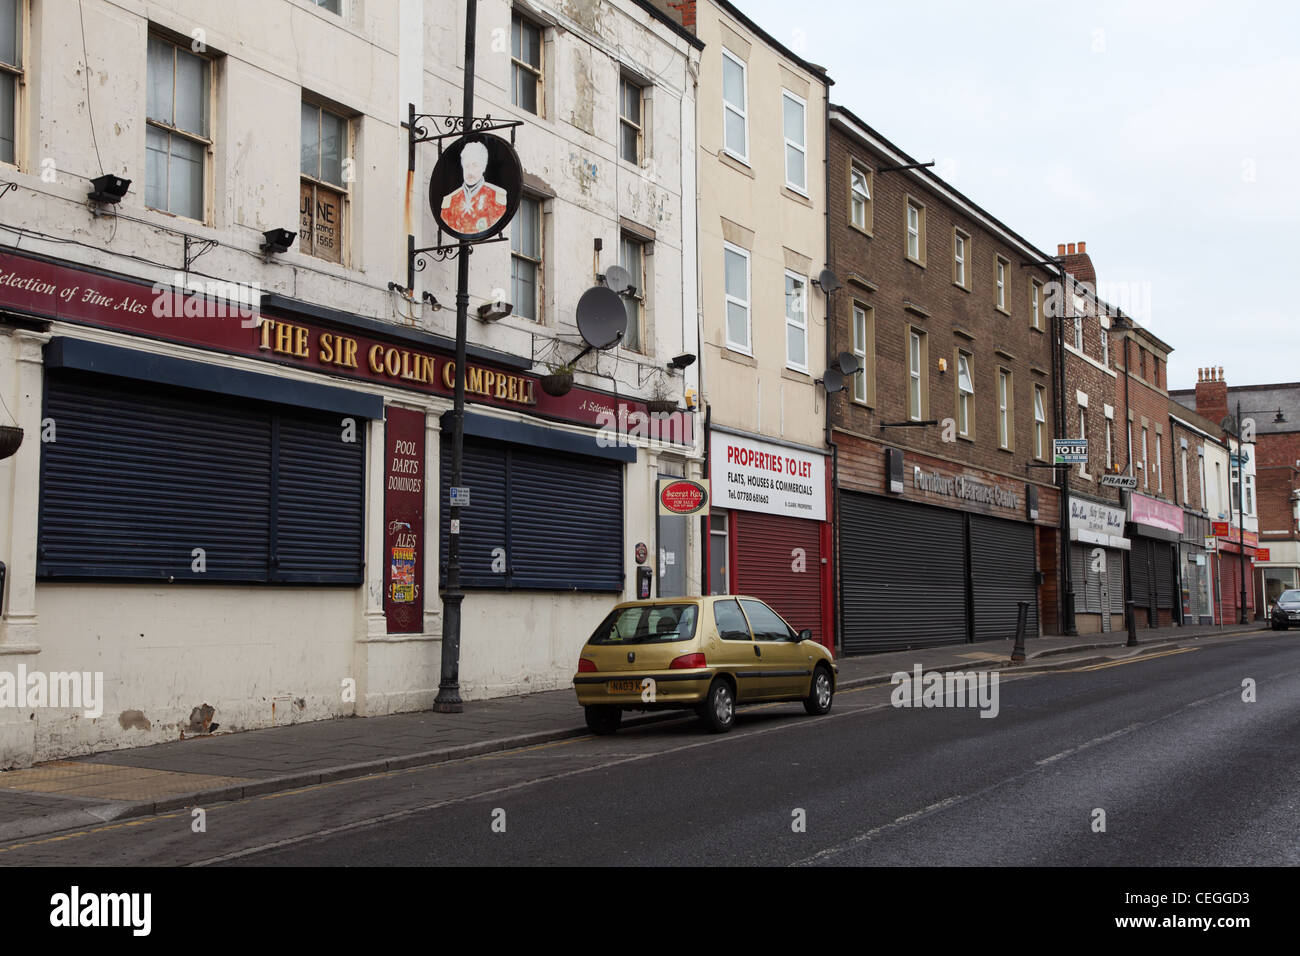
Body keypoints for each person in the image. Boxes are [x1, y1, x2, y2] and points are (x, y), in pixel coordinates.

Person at [441, 141, 507, 235]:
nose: (470, 172)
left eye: (475, 165)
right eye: (467, 166)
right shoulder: (450, 201)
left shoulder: (495, 196)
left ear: (483, 167)